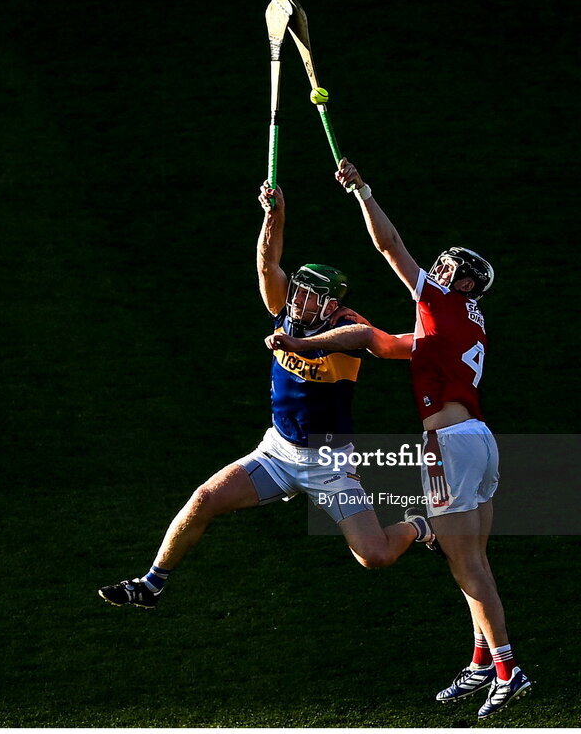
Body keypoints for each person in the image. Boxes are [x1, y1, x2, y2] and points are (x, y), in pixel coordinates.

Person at [270, 160, 531, 719]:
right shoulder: (470, 319)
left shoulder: (438, 299)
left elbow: (390, 245)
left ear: (464, 283)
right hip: (480, 439)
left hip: (449, 445)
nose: (439, 269)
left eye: (450, 268)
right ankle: (482, 661)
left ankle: (509, 668)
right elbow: (402, 345)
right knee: (474, 557)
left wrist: (362, 191)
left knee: (468, 567)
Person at [98, 181, 434, 610]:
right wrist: (273, 214)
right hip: (277, 451)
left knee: (375, 556)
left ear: (331, 306)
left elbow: (368, 337)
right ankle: (152, 583)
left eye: (310, 297)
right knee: (203, 499)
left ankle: (420, 527)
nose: (299, 300)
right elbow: (266, 263)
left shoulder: (347, 328)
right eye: (298, 291)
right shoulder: (284, 309)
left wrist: (300, 346)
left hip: (329, 465)